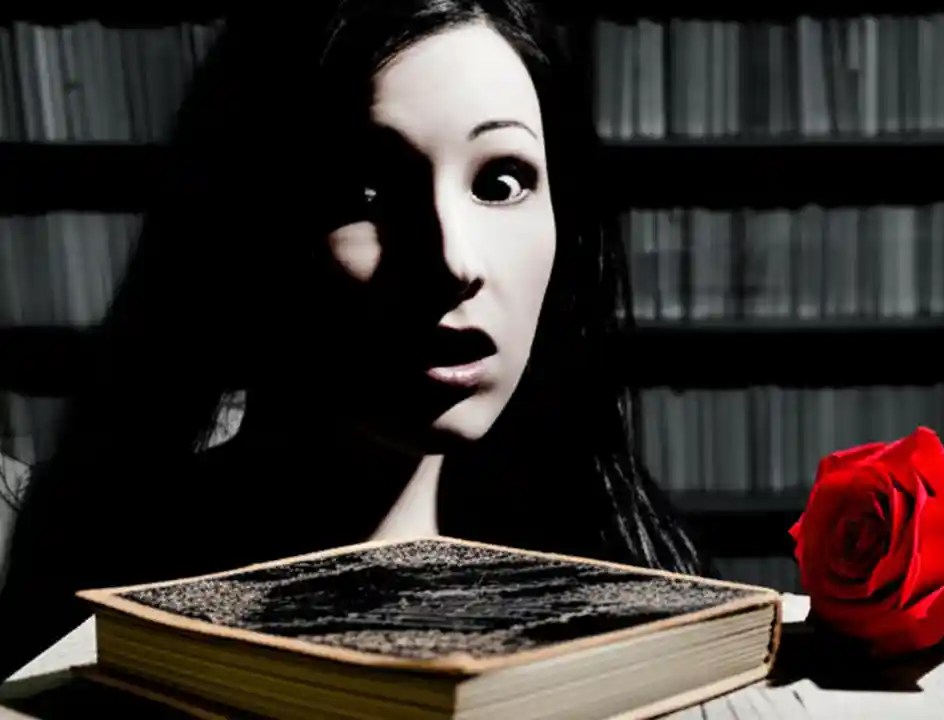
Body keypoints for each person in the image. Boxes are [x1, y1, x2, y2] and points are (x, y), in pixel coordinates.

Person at [0, 0, 708, 679]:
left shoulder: (618, 556)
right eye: (366, 193)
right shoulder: (110, 579)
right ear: (245, 223)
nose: (455, 261)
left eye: (501, 182)